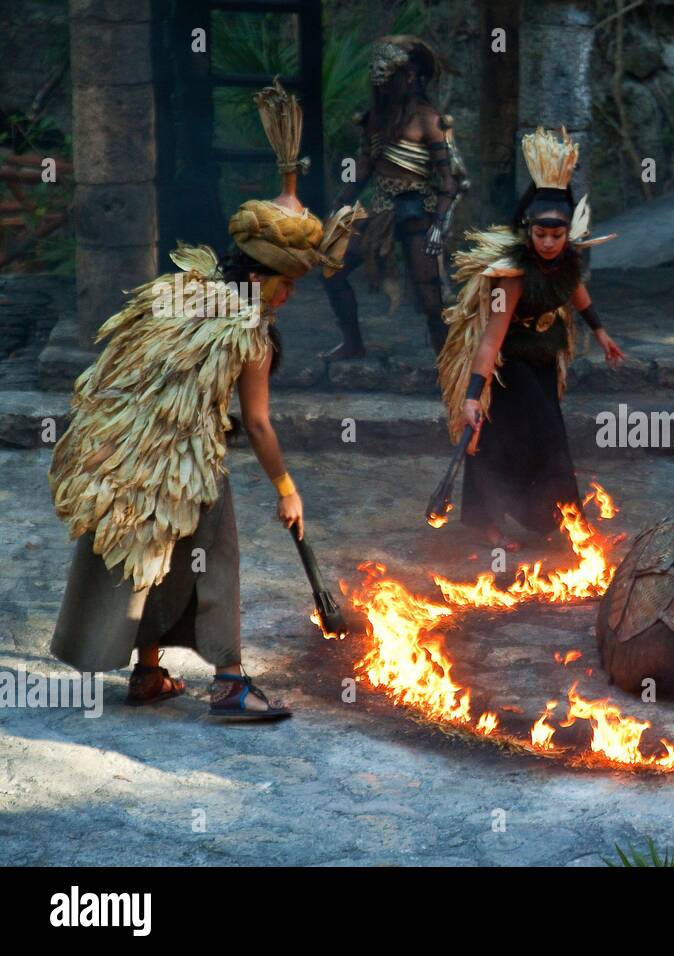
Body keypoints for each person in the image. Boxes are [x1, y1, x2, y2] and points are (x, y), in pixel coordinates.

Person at [48, 81, 363, 717]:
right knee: (215, 560)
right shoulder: (246, 328)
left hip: (135, 450)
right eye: (285, 284)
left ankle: (148, 672)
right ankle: (231, 683)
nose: (288, 297)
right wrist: (287, 489)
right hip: (188, 457)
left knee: (152, 553)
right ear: (256, 275)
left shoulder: (183, 290)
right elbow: (258, 422)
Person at [438, 127, 625, 550]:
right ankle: (507, 522)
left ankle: (556, 516)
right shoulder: (515, 277)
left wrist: (601, 332)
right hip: (510, 368)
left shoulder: (567, 262)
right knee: (527, 437)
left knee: (529, 435)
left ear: (566, 234)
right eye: (540, 235)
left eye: (556, 236)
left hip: (542, 361)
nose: (547, 242)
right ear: (528, 231)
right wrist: (472, 396)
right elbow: (491, 338)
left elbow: (576, 293)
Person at [324, 35, 463, 358]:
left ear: (409, 78)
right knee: (332, 268)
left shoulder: (428, 119)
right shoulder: (375, 119)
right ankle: (353, 343)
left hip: (419, 213)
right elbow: (364, 166)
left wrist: (438, 226)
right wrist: (340, 204)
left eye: (388, 84)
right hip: (381, 214)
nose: (382, 91)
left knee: (430, 297)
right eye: (379, 86)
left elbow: (449, 182)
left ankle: (447, 360)